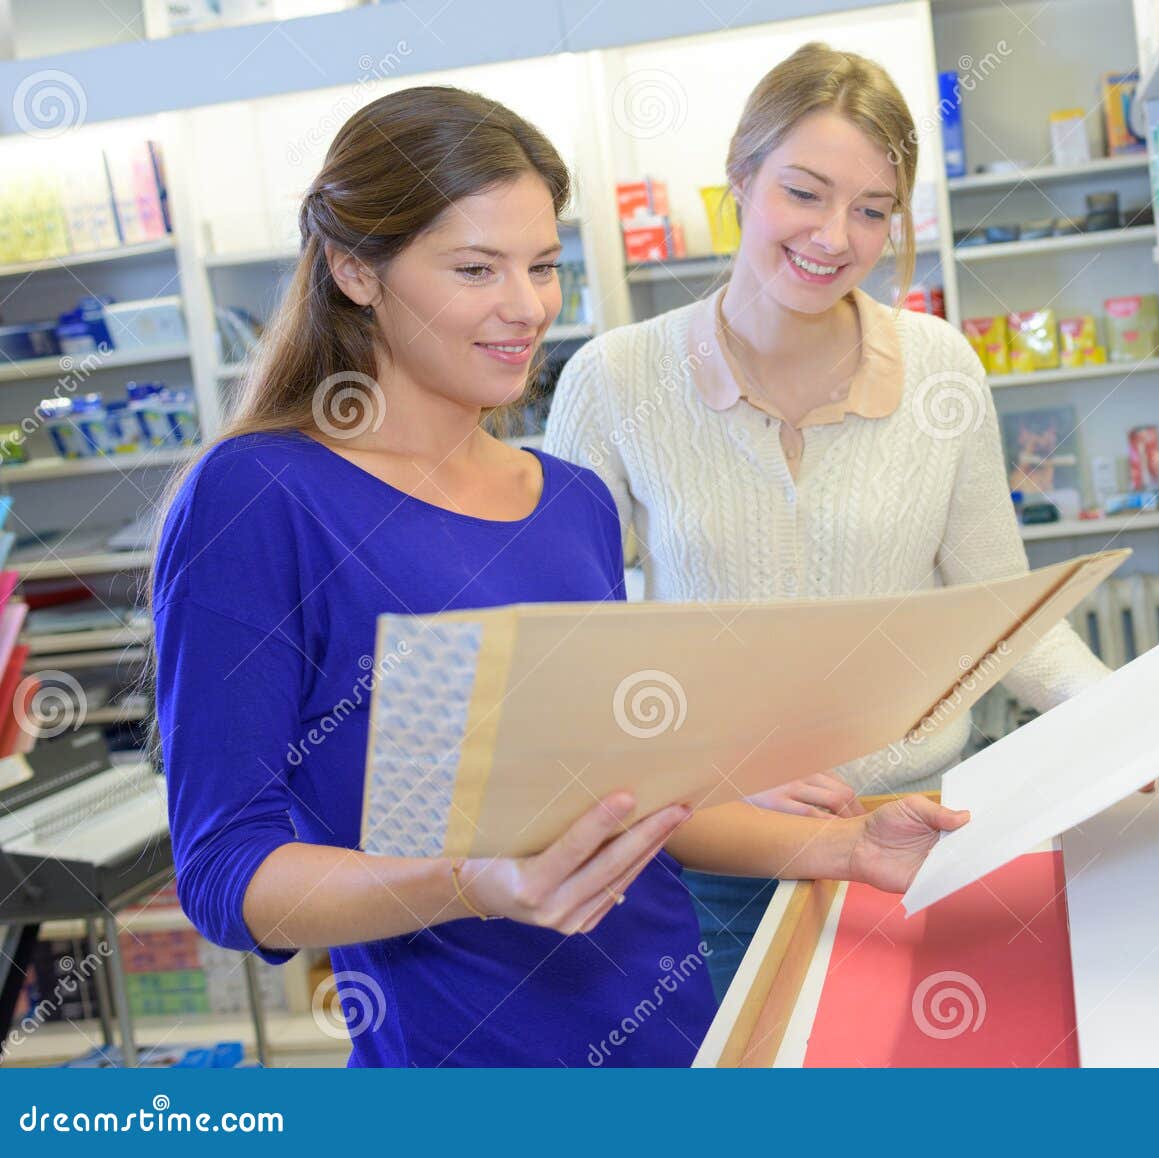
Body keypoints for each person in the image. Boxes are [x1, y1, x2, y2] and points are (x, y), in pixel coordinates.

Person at [152, 85, 967, 1068]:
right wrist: (472, 882)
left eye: (542, 266)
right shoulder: (259, 500)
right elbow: (226, 876)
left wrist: (844, 850)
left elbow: (622, 800)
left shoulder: (570, 500)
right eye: (475, 268)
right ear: (355, 270)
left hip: (680, 1034)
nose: (528, 306)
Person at [544, 43, 1159, 1000]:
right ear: (741, 178)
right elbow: (569, 653)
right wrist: (707, 770)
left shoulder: (938, 368)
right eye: (804, 192)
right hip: (720, 856)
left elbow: (1006, 619)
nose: (835, 235)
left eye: (874, 209)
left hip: (919, 828)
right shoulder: (613, 379)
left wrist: (1137, 725)